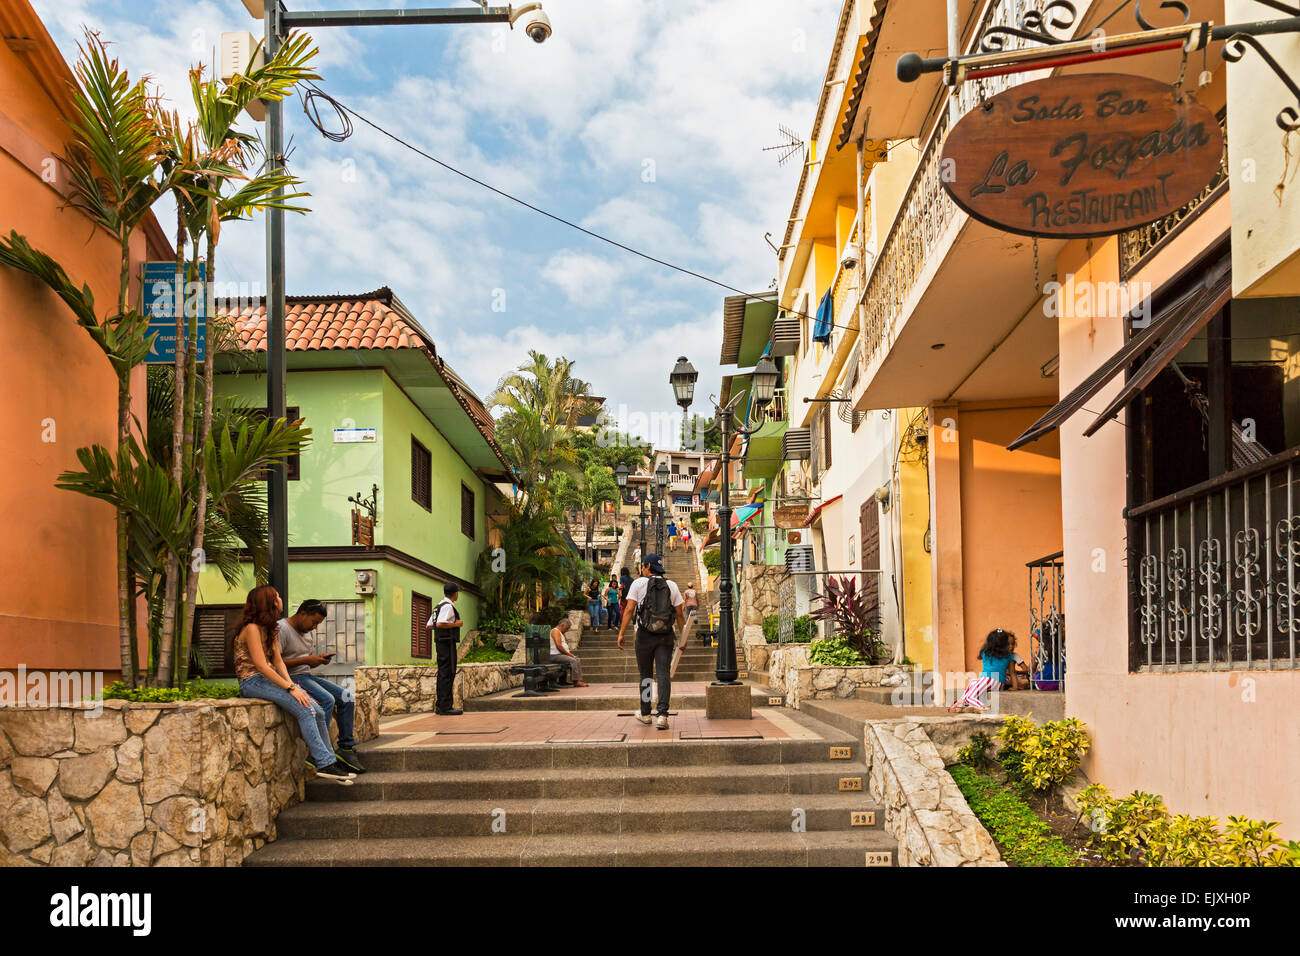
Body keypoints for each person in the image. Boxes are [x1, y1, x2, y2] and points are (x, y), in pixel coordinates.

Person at [233, 585, 355, 783]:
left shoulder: (271, 628)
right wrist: (291, 688)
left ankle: (328, 761)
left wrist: (293, 686)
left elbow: (278, 662)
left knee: (319, 710)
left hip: (270, 677)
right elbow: (262, 666)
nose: (281, 599)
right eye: (277, 596)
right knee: (305, 709)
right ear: (269, 602)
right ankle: (324, 762)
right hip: (252, 681)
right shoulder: (252, 628)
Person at [278, 599, 365, 773]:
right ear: (302, 613)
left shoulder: (307, 633)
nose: (315, 627)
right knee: (327, 699)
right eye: (314, 622)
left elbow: (305, 662)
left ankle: (346, 748)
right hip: (291, 678)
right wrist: (306, 660)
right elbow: (275, 663)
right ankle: (319, 753)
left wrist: (317, 661)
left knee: (346, 698)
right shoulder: (282, 629)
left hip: (306, 675)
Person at [617, 554, 685, 730]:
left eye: (643, 565)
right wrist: (683, 638)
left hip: (644, 635)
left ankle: (646, 713)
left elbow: (629, 609)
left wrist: (621, 633)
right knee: (663, 674)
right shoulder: (672, 585)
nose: (642, 568)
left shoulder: (638, 583)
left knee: (645, 675)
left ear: (647, 566)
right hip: (665, 636)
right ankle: (663, 715)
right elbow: (679, 614)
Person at [950, 627, 1029, 712]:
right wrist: (1015, 687)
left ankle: (982, 707)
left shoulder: (985, 652)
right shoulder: (1009, 656)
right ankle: (960, 704)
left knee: (970, 697)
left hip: (989, 679)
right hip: (998, 683)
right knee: (973, 682)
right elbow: (1012, 672)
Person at [427, 583, 464, 715]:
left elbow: (429, 625)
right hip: (447, 643)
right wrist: (456, 624)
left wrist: (441, 629)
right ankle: (445, 706)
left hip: (440, 642)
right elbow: (439, 623)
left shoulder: (438, 606)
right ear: (455, 594)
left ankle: (441, 705)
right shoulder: (448, 606)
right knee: (448, 673)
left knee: (443, 673)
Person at [550, 618, 587, 687]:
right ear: (562, 625)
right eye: (567, 628)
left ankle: (566, 681)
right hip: (555, 655)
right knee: (574, 660)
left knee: (576, 659)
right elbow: (559, 646)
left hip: (559, 655)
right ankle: (576, 682)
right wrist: (569, 654)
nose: (567, 630)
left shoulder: (559, 632)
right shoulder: (555, 631)